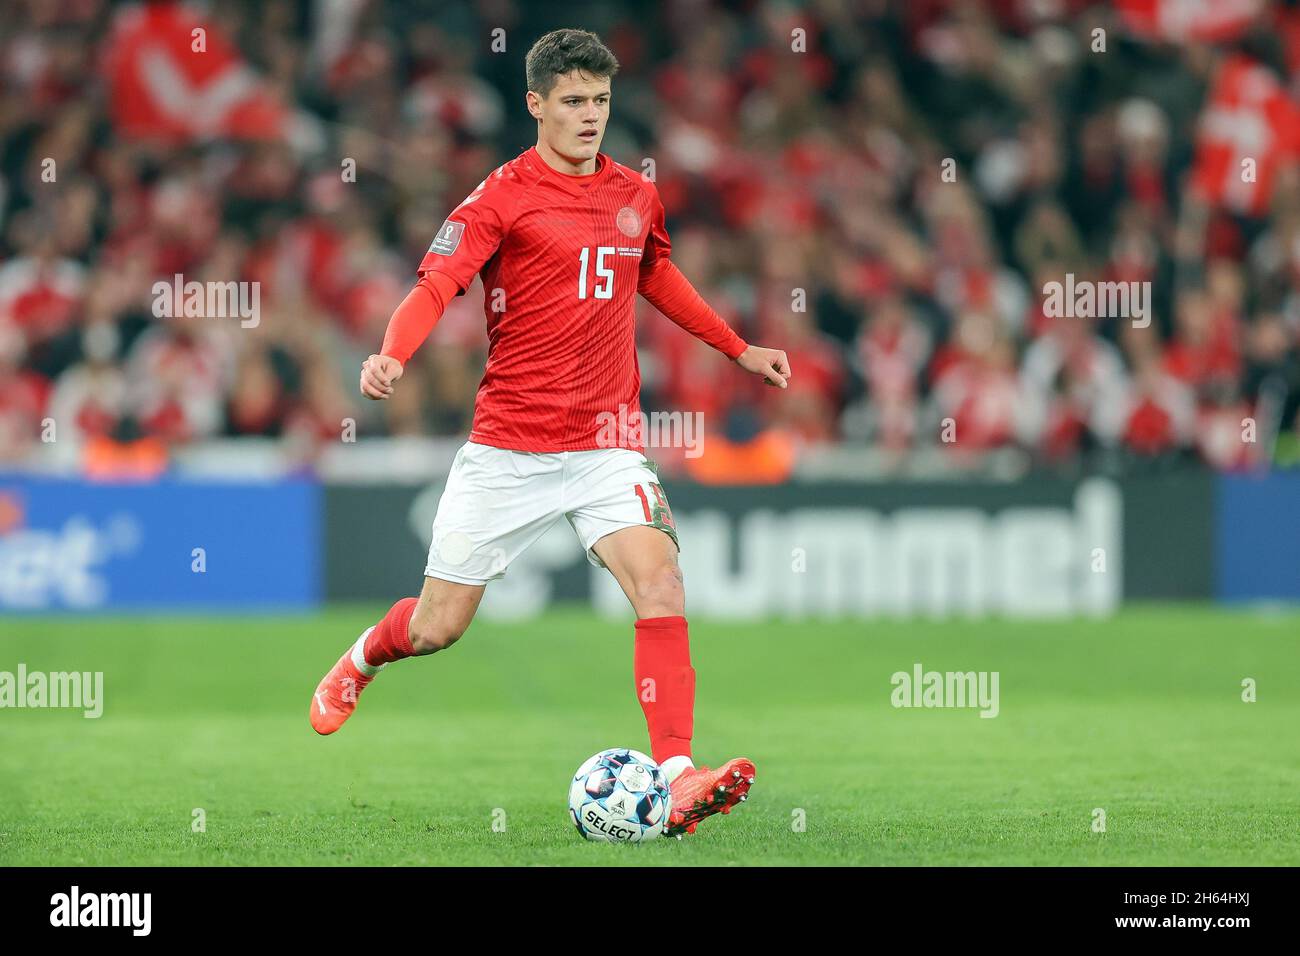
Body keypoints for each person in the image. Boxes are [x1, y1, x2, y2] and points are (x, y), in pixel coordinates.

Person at [309, 28, 791, 837]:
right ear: (536, 105)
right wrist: (391, 355)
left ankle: (675, 776)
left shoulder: (637, 193)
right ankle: (362, 659)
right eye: (573, 101)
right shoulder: (500, 196)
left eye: (600, 100)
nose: (590, 115)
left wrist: (737, 348)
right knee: (437, 628)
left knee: (661, 582)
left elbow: (656, 274)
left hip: (606, 443)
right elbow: (436, 285)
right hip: (510, 448)